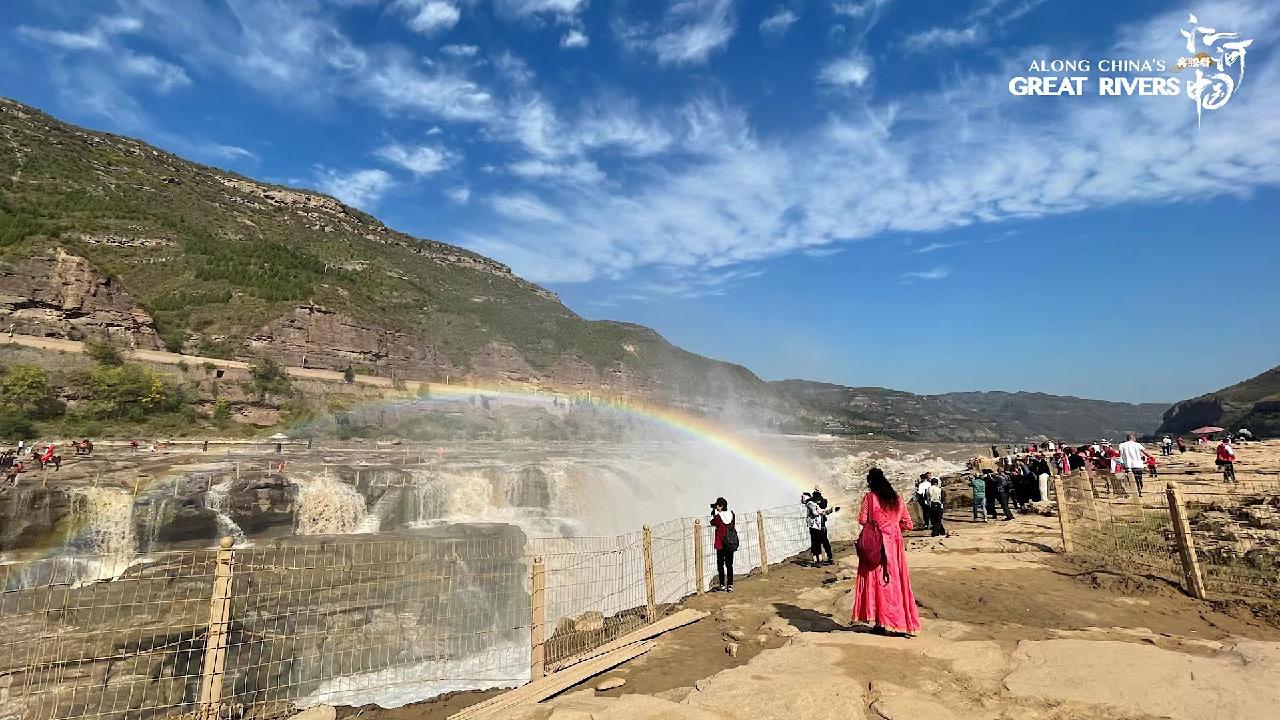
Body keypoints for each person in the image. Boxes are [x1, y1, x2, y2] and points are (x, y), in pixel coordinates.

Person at [852, 468, 920, 636]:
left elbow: (862, 520)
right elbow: (908, 524)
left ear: (870, 483)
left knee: (876, 581)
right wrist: (894, 529)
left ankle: (880, 623)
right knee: (895, 582)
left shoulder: (869, 498)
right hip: (894, 546)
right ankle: (898, 621)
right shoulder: (898, 499)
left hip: (875, 545)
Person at [709, 497, 737, 592]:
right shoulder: (732, 514)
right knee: (729, 565)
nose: (716, 507)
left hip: (721, 544)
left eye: (717, 505)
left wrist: (713, 514)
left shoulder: (718, 517)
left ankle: (722, 584)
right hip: (730, 543)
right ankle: (730, 585)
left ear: (721, 506)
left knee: (720, 565)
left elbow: (712, 522)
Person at [804, 490, 837, 565]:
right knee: (816, 542)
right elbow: (815, 512)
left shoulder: (814, 504)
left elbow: (821, 512)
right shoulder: (811, 504)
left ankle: (824, 559)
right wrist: (825, 511)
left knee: (821, 542)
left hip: (820, 526)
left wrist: (829, 511)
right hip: (814, 526)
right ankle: (817, 560)